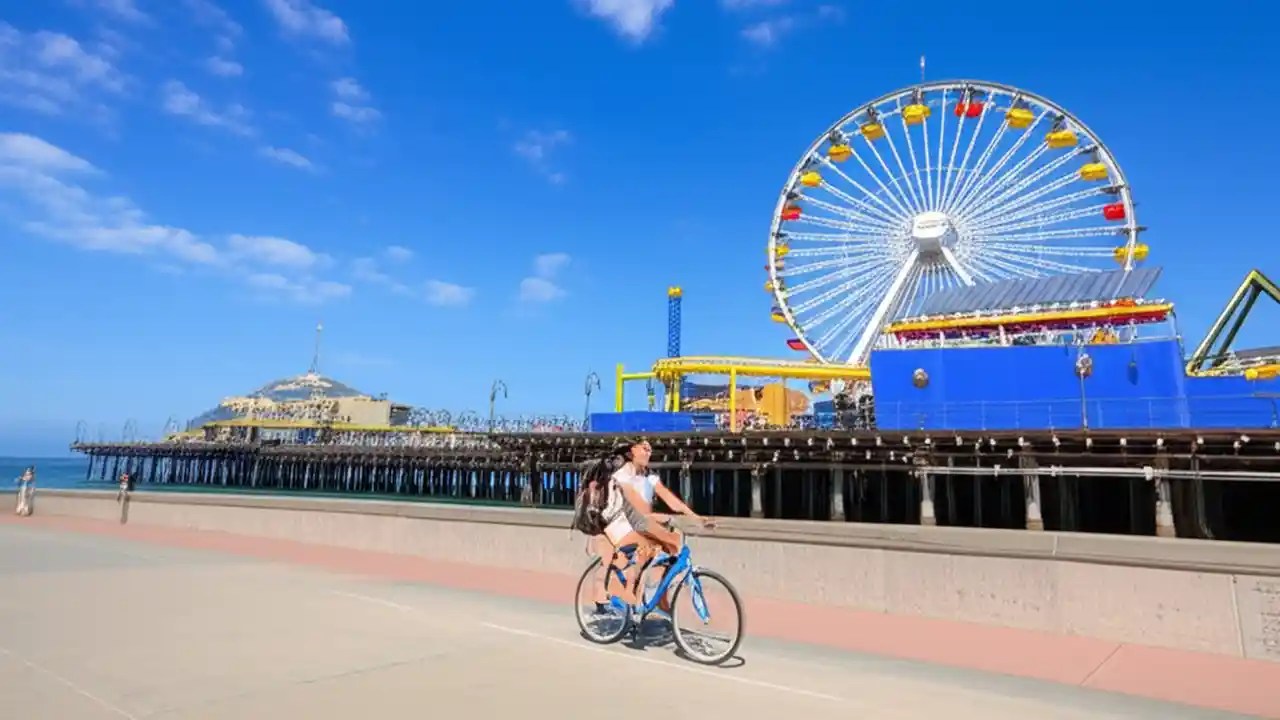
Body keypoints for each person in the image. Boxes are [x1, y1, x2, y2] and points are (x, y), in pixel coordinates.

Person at [598, 438, 714, 611]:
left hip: (639, 523)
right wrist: (664, 519)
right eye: (644, 448)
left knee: (672, 554)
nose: (648, 453)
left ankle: (661, 599)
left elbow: (671, 500)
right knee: (648, 547)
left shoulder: (649, 477)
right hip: (619, 525)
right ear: (632, 451)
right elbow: (638, 510)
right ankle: (628, 596)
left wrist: (696, 517)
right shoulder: (621, 477)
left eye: (650, 450)